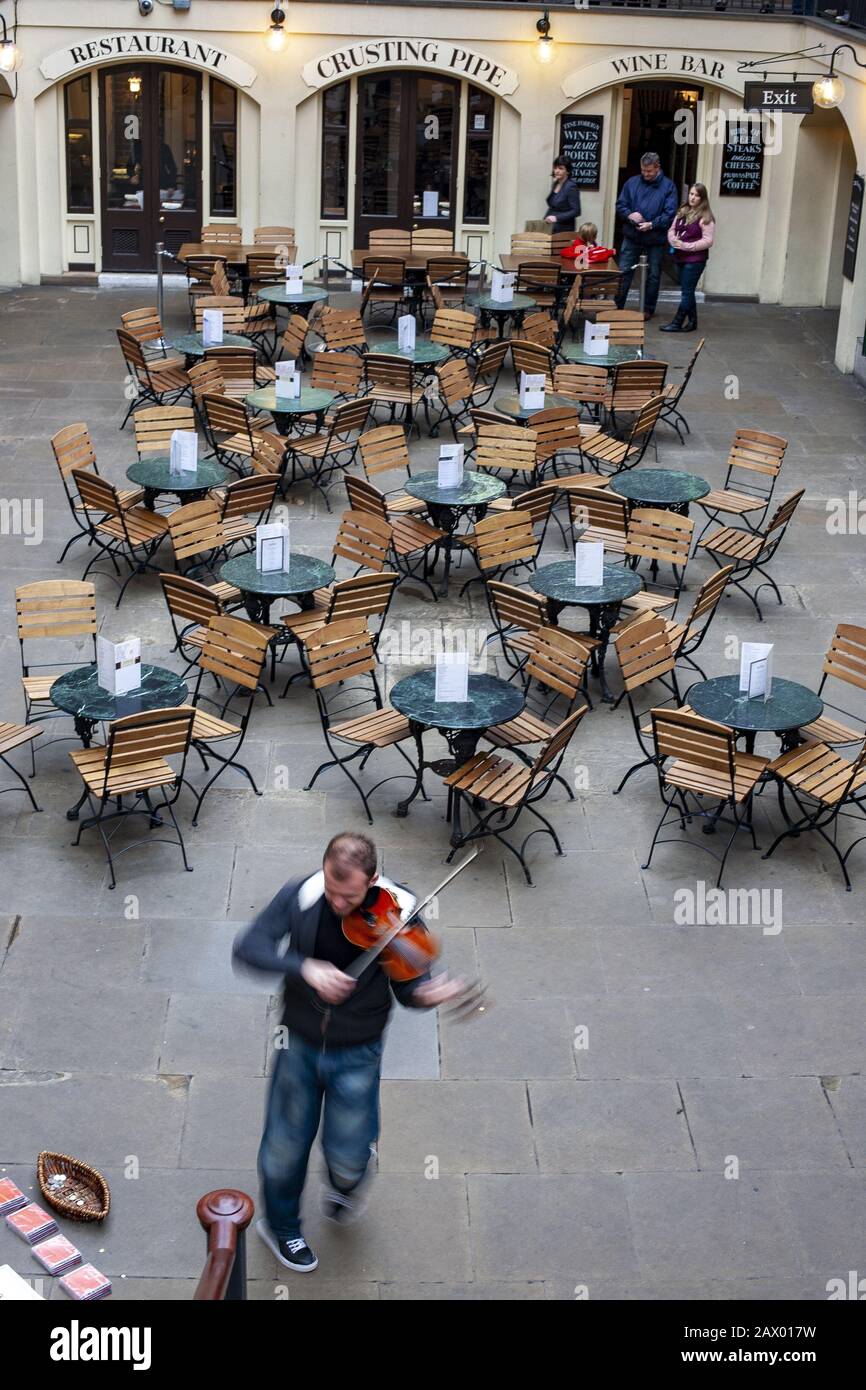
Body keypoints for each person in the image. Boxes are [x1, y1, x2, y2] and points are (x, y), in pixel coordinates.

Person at [232, 832, 465, 1273]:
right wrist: (303, 967)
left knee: (348, 1155)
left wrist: (428, 993)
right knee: (284, 1148)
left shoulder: (397, 909)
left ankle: (348, 1175)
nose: (339, 903)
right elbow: (248, 949)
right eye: (333, 892)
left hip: (359, 1049)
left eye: (351, 895)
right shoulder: (302, 895)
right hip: (297, 1042)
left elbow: (409, 988)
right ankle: (281, 1227)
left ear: (373, 879)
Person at [614, 151, 678, 321]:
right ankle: (617, 306)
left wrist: (652, 224)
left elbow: (670, 213)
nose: (645, 174)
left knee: (654, 274)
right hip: (632, 235)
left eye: (649, 171)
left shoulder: (668, 186)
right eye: (643, 170)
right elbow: (620, 205)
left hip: (655, 238)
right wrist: (630, 215)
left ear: (658, 168)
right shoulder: (632, 183)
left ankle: (648, 308)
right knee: (624, 271)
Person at [661, 183, 715, 334]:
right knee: (688, 291)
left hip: (695, 260)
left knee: (686, 292)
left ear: (702, 198)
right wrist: (673, 241)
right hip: (680, 258)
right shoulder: (682, 211)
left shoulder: (706, 217)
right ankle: (692, 322)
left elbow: (708, 241)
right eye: (691, 194)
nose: (692, 197)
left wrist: (685, 246)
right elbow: (671, 230)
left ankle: (677, 322)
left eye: (697, 195)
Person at [544, 155, 581, 233]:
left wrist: (556, 218)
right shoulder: (555, 184)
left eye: (561, 168)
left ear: (567, 171)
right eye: (555, 168)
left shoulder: (571, 187)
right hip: (551, 228)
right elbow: (552, 207)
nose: (557, 171)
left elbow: (576, 211)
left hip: (564, 230)